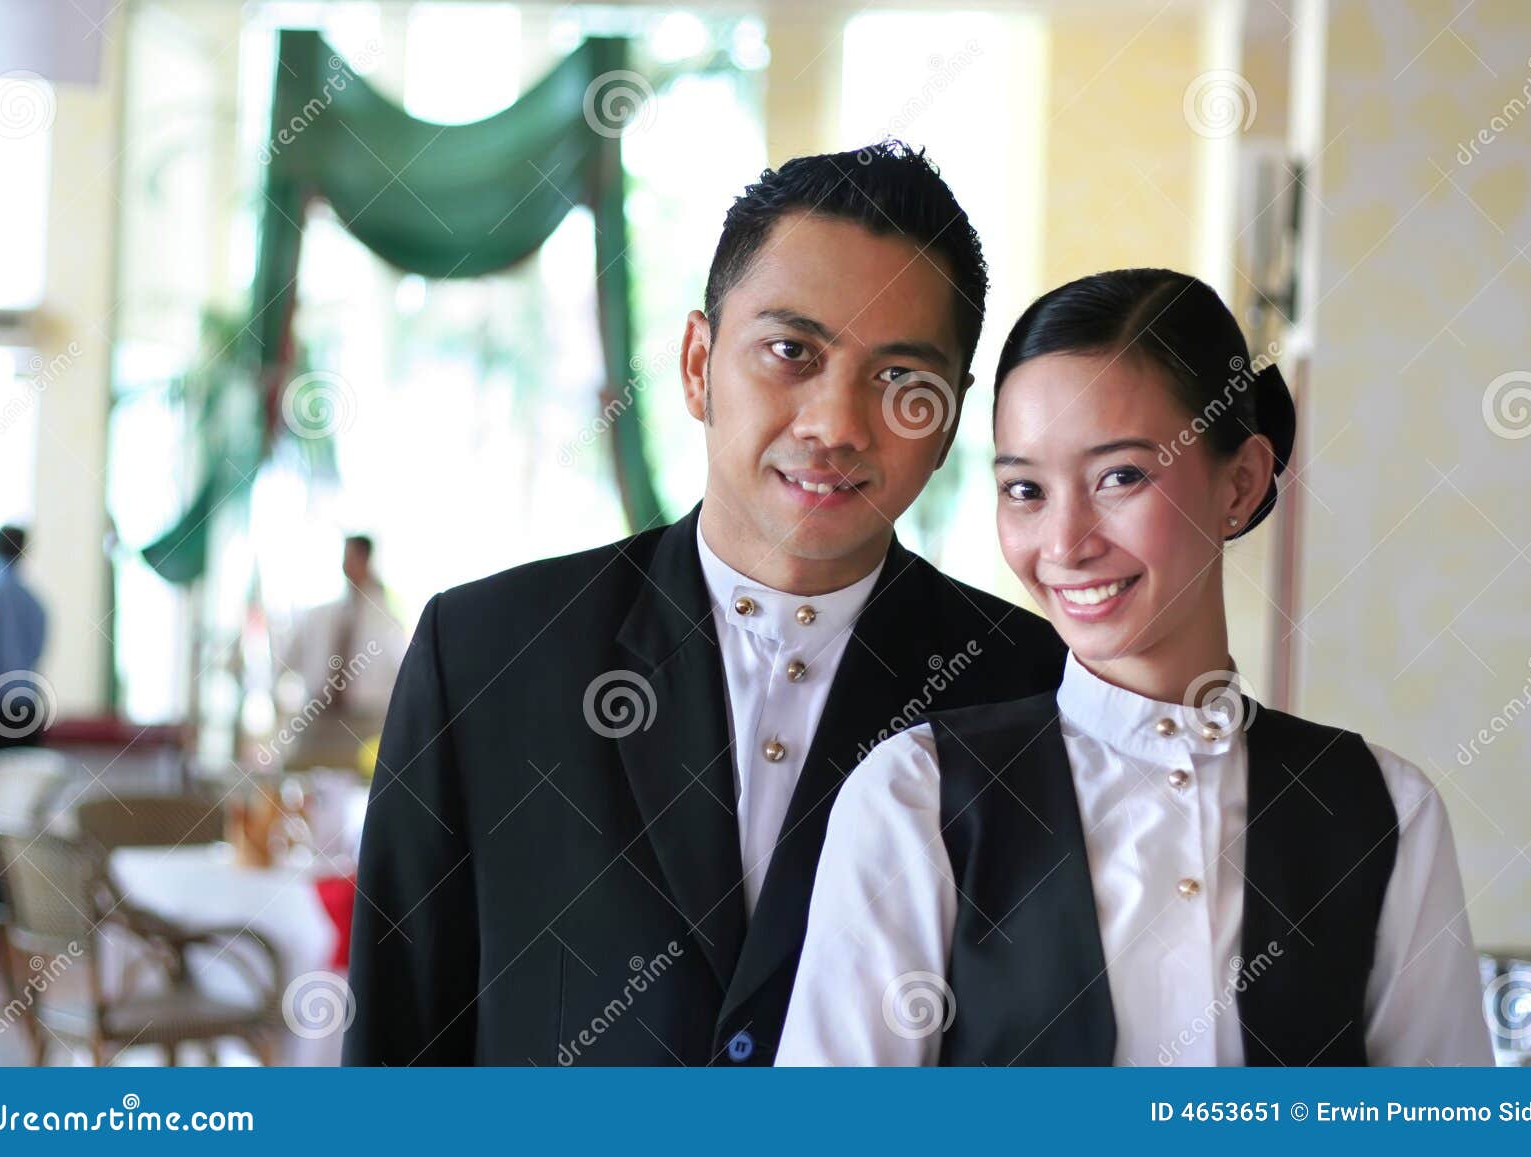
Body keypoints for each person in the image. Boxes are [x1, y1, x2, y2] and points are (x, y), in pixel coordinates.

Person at [343, 142, 1068, 1066]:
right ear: (697, 363)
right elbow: (396, 1047)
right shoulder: (485, 652)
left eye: (900, 381)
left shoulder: (1031, 688)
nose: (836, 425)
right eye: (790, 351)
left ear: (951, 418)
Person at [776, 268, 1492, 1066]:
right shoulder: (916, 797)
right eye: (1025, 488)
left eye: (1121, 476)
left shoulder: (1384, 809)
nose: (1064, 541)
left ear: (1242, 481)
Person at [275, 534, 408, 771]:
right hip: (319, 714)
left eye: (353, 557)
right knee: (292, 767)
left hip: (364, 721)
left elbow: (403, 675)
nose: (348, 564)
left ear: (367, 560)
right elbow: (286, 659)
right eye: (345, 558)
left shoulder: (388, 620)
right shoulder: (322, 614)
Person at [0, 526, 49, 767]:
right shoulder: (37, 607)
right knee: (16, 791)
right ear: (24, 552)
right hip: (25, 717)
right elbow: (36, 655)